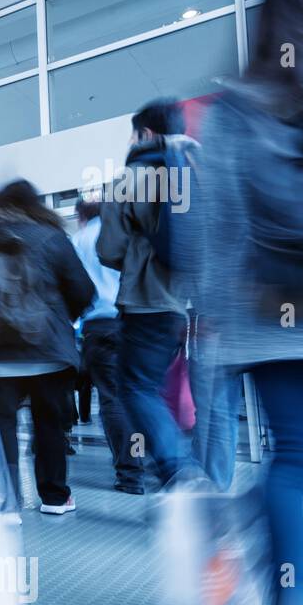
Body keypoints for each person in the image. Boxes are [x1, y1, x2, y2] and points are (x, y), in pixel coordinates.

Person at [173, 0, 303, 605]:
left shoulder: (233, 107)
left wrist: (212, 327)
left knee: (295, 464)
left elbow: (210, 229)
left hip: (262, 317)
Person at [0, 179, 95, 515]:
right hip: (48, 352)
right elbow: (83, 289)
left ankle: (8, 500)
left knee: (1, 423)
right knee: (49, 423)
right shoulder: (52, 236)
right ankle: (54, 497)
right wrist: (61, 320)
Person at [97, 98, 197, 490]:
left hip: (147, 302)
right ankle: (185, 468)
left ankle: (178, 471)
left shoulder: (129, 180)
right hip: (185, 305)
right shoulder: (198, 170)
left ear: (146, 133)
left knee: (135, 387)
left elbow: (109, 249)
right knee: (160, 387)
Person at [71, 196, 144, 494]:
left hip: (99, 326)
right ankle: (148, 463)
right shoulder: (127, 231)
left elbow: (73, 287)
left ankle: (130, 474)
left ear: (81, 215)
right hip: (134, 321)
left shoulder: (78, 240)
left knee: (112, 399)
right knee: (140, 396)